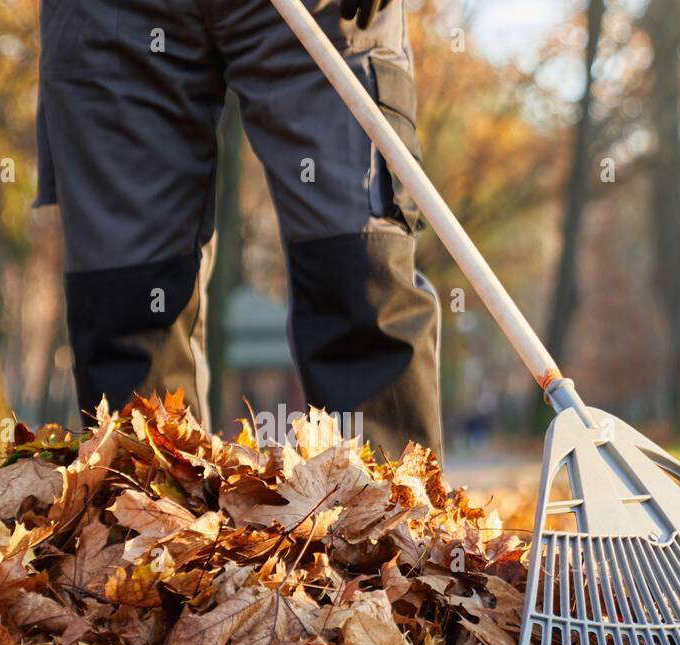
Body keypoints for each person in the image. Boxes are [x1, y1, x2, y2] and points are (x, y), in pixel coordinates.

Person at [36, 0, 441, 457]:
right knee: (127, 307)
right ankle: (150, 520)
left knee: (361, 275)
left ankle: (386, 518)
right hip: (110, 15)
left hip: (319, 11)